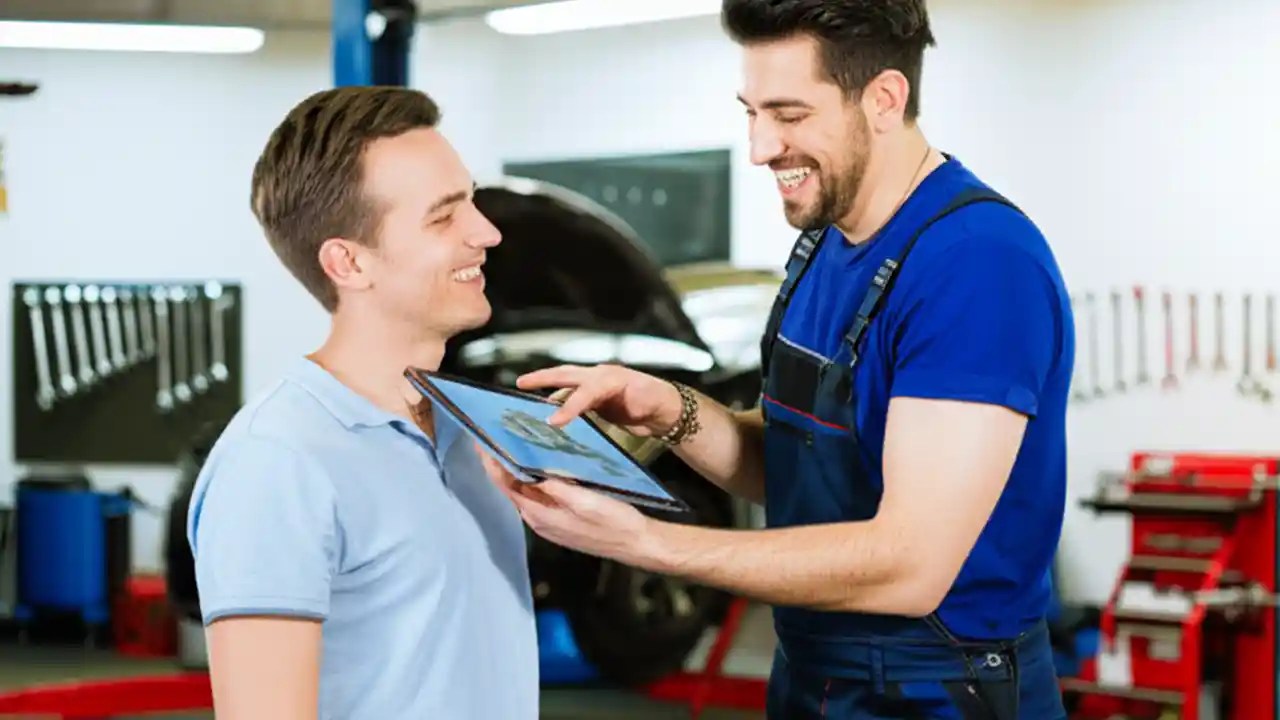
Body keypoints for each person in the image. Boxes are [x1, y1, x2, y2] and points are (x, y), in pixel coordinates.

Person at [477, 1, 1073, 717]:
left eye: (789, 115)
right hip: (817, 675)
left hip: (941, 692)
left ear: (884, 99)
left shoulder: (976, 265)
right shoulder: (824, 244)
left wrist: (648, 543)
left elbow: (909, 567)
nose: (761, 147)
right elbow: (793, 468)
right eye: (751, 111)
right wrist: (672, 410)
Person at [186, 86, 537, 719]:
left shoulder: (470, 433)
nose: (486, 231)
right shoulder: (278, 462)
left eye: (473, 201)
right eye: (443, 215)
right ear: (347, 262)